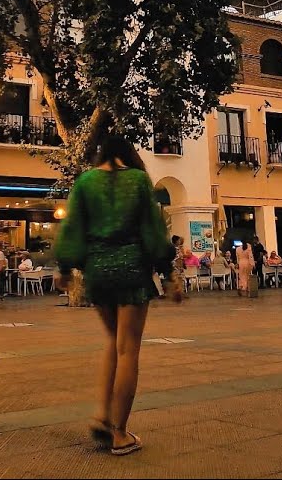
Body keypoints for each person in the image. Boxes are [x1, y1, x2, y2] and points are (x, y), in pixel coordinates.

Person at [54, 133, 172, 457]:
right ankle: (119, 434)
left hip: (98, 272)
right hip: (131, 269)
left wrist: (65, 267)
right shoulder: (137, 181)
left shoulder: (86, 182)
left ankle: (102, 414)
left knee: (112, 342)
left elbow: (72, 227)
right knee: (128, 350)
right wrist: (168, 270)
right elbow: (153, 229)